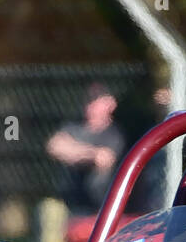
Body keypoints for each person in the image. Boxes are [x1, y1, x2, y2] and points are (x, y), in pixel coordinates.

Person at [46, 81, 126, 215]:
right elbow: (54, 147)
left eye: (97, 101)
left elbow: (104, 159)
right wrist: (91, 153)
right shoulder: (74, 127)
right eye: (89, 101)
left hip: (100, 208)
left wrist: (72, 150)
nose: (91, 105)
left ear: (111, 104)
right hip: (70, 204)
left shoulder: (114, 134)